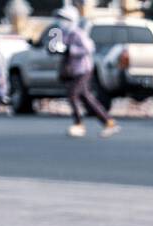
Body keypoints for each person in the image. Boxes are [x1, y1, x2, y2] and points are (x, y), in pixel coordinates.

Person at [49, 7, 118, 138]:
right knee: (86, 97)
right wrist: (55, 48)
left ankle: (78, 124)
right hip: (73, 71)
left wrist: (71, 50)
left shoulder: (78, 33)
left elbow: (89, 48)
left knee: (73, 94)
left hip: (83, 70)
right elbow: (58, 47)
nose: (60, 22)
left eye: (64, 19)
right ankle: (108, 122)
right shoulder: (63, 33)